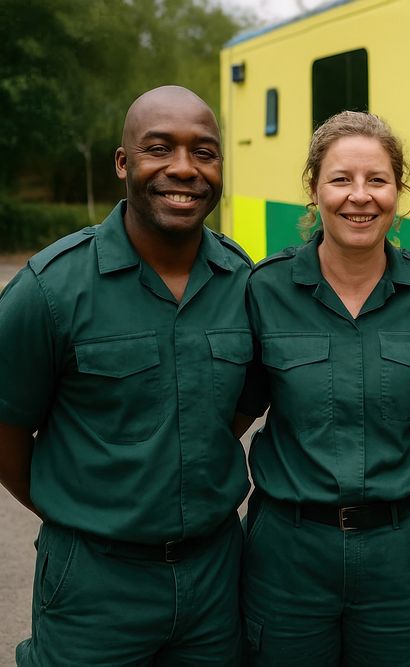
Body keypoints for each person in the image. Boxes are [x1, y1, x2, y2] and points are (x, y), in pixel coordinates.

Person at [0, 85, 254, 666]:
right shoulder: (51, 288)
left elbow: (233, 410)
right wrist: (84, 519)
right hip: (95, 587)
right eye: (158, 149)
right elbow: (6, 430)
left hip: (216, 580)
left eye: (204, 152)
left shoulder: (242, 280)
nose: (184, 169)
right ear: (123, 163)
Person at [238, 110, 410, 666]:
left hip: (400, 555)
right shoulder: (264, 289)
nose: (360, 197)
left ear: (398, 191)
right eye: (340, 179)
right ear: (314, 189)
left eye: (377, 180)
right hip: (289, 555)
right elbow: (228, 415)